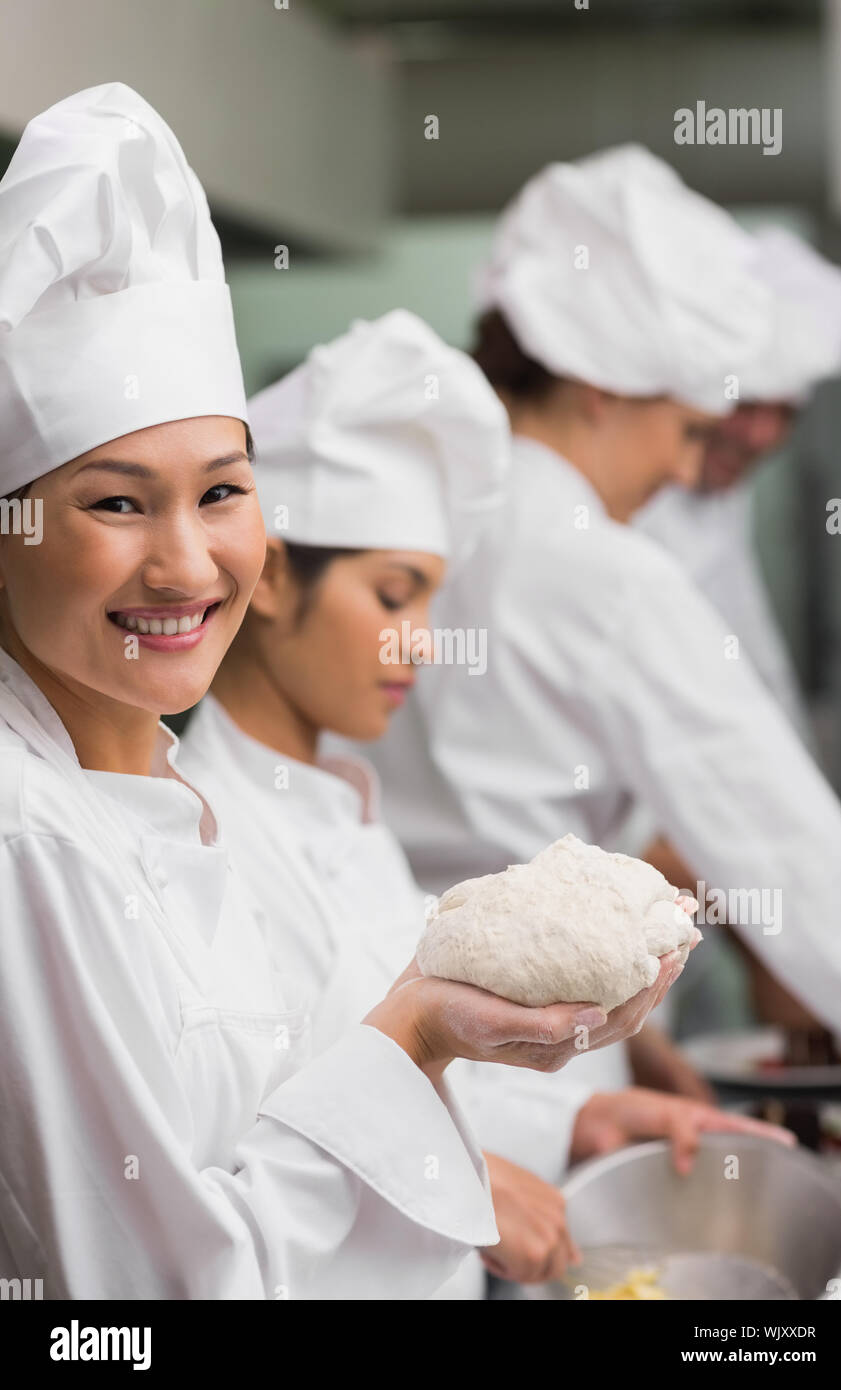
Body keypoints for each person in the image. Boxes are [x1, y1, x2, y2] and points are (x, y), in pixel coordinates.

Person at [0, 88, 682, 1301]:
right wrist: (423, 1037)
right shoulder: (31, 837)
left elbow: (260, 1135)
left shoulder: (148, 805)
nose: (184, 561)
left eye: (221, 492)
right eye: (116, 501)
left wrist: (522, 1094)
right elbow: (144, 1305)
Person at [179, 310, 792, 1298]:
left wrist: (573, 1124)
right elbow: (228, 1192)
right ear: (276, 575)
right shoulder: (198, 837)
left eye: (431, 603)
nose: (420, 643)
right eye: (391, 596)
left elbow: (402, 1075)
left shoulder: (343, 809)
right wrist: (447, 1188)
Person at [359, 145, 841, 1069]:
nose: (684, 471)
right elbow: (793, 860)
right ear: (602, 387)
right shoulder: (598, 565)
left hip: (384, 1019)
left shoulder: (419, 507)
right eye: (686, 432)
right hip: (530, 1050)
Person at [637, 225, 841, 742]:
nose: (761, 435)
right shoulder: (622, 497)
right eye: (745, 405)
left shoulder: (722, 498)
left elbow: (748, 655)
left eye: (784, 414)